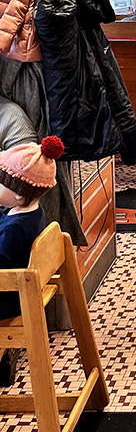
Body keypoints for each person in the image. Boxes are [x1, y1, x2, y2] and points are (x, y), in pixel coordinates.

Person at [0, 135, 63, 320]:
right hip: (18, 293)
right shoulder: (32, 214)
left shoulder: (15, 229)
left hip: (8, 300)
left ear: (18, 193)